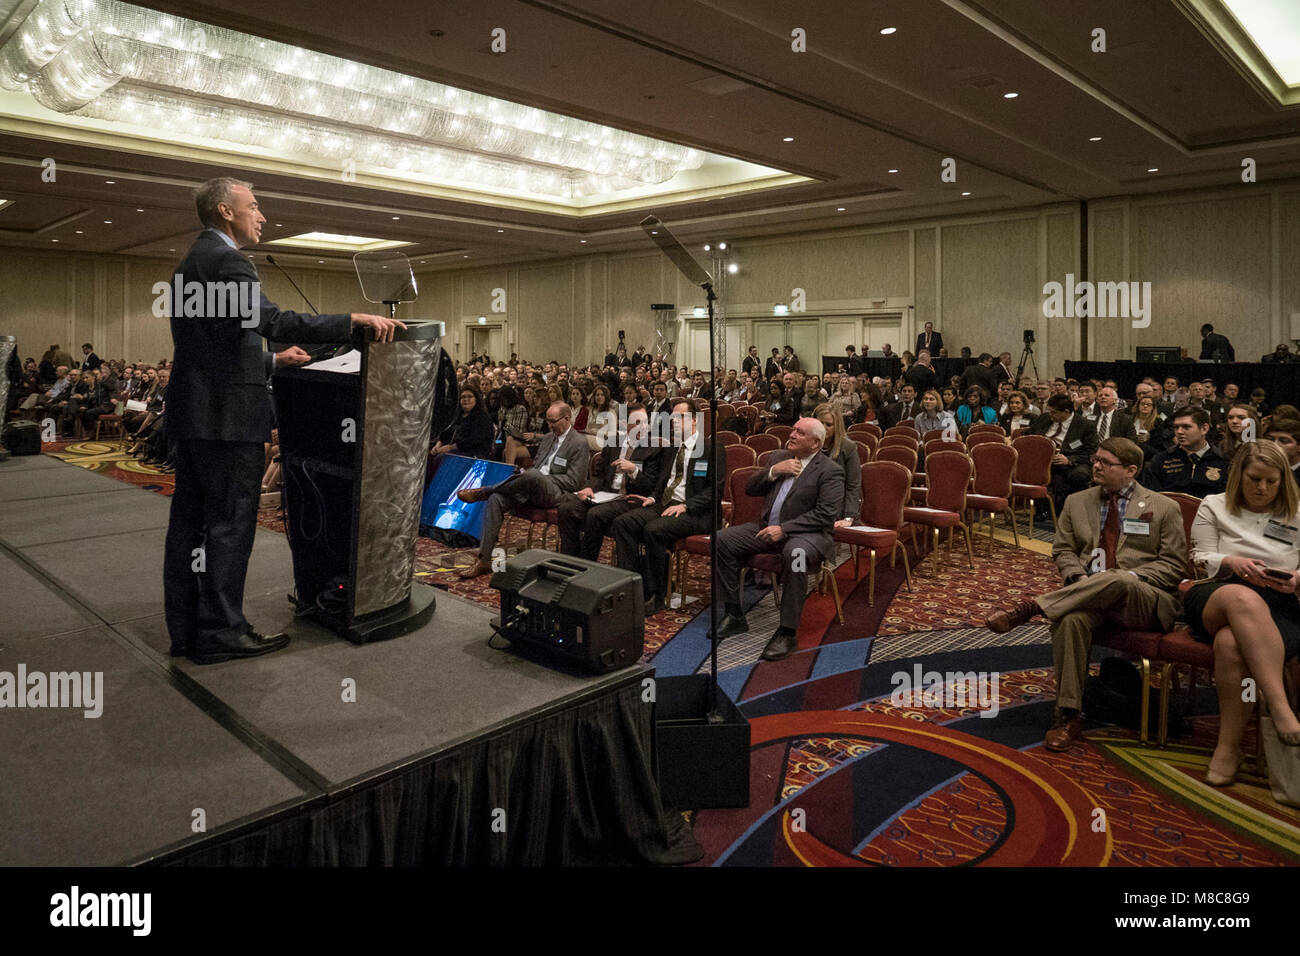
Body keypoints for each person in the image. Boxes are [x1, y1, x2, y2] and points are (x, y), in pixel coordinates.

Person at [163, 176, 399, 664]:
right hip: (229, 423)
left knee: (189, 526)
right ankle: (223, 631)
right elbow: (271, 321)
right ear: (226, 212)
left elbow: (214, 347)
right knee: (230, 526)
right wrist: (349, 320)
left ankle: (188, 628)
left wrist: (273, 363)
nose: (263, 216)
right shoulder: (230, 261)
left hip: (196, 415)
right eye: (254, 206)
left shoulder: (189, 264)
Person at [985, 438, 1187, 751]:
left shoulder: (1164, 508)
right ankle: (1068, 714)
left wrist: (1130, 576)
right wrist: (1076, 576)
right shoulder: (1077, 502)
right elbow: (1063, 549)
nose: (1096, 466)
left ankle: (1032, 608)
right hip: (1089, 595)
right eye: (1095, 460)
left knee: (1119, 580)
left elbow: (1174, 566)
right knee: (1070, 621)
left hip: (1144, 599)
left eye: (1106, 463)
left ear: (1131, 470)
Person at [1184, 441, 1300, 786]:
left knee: (1231, 644)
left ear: (1283, 481)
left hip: (1280, 604)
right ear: (1238, 476)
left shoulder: (1297, 513)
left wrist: (1295, 580)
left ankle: (1228, 747)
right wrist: (1230, 561)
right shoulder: (1214, 505)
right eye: (1254, 479)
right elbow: (1200, 560)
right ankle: (1280, 708)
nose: (1262, 488)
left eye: (1271, 481)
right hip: (1217, 594)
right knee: (1243, 600)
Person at [715, 417, 844, 661]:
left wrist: (784, 529)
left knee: (796, 555)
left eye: (800, 433)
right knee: (722, 540)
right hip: (767, 527)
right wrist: (775, 471)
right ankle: (734, 614)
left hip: (808, 535)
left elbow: (825, 515)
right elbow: (750, 489)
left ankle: (787, 631)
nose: (792, 435)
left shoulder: (830, 470)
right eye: (793, 429)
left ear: (816, 443)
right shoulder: (778, 458)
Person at [611, 398, 725, 614]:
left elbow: (715, 491)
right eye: (672, 418)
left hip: (696, 511)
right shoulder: (672, 448)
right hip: (665, 504)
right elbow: (663, 482)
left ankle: (657, 593)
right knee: (623, 522)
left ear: (695, 421)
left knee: (654, 530)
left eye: (680, 418)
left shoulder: (712, 448)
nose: (674, 422)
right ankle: (632, 586)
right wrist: (653, 498)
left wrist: (686, 506)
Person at [457, 402, 591, 579]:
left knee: (533, 474)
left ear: (567, 419)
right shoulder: (548, 438)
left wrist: (541, 479)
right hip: (532, 488)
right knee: (497, 498)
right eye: (548, 421)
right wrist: (532, 477)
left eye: (553, 421)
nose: (549, 425)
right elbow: (537, 465)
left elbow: (573, 481)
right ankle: (484, 559)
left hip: (557, 492)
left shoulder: (579, 443)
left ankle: (484, 491)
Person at [557, 403, 670, 564]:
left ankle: (583, 564)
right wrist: (589, 487)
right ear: (625, 424)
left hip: (629, 498)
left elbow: (651, 486)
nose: (643, 427)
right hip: (605, 494)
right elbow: (599, 475)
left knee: (595, 514)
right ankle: (567, 559)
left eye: (645, 422)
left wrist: (633, 471)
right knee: (567, 509)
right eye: (638, 423)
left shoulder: (653, 449)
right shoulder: (613, 442)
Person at [1029, 393, 1099, 510]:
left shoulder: (1085, 426)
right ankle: (1041, 509)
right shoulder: (1045, 418)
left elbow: (1090, 452)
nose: (1051, 415)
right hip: (1043, 459)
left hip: (1072, 460)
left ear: (1066, 412)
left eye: (1054, 412)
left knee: (1078, 475)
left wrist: (1069, 460)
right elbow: (1029, 435)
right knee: (1032, 470)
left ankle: (1069, 509)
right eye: (1050, 411)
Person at [1141, 407, 1228, 498]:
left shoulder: (1223, 461)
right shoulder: (1161, 460)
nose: (1179, 432)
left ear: (1204, 429)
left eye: (1186, 427)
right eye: (1176, 427)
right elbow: (1150, 499)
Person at [814, 403, 861, 528]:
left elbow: (853, 485)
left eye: (828, 425)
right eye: (820, 423)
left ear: (837, 426)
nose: (823, 428)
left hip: (834, 505)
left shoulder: (848, 447)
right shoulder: (807, 443)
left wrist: (849, 517)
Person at [429, 385, 494, 468]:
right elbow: (446, 434)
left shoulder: (482, 417)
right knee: (428, 456)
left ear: (476, 399)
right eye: (463, 397)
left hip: (473, 453)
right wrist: (438, 445)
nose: (466, 399)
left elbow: (474, 440)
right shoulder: (458, 416)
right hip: (455, 450)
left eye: (469, 396)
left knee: (441, 459)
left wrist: (450, 447)